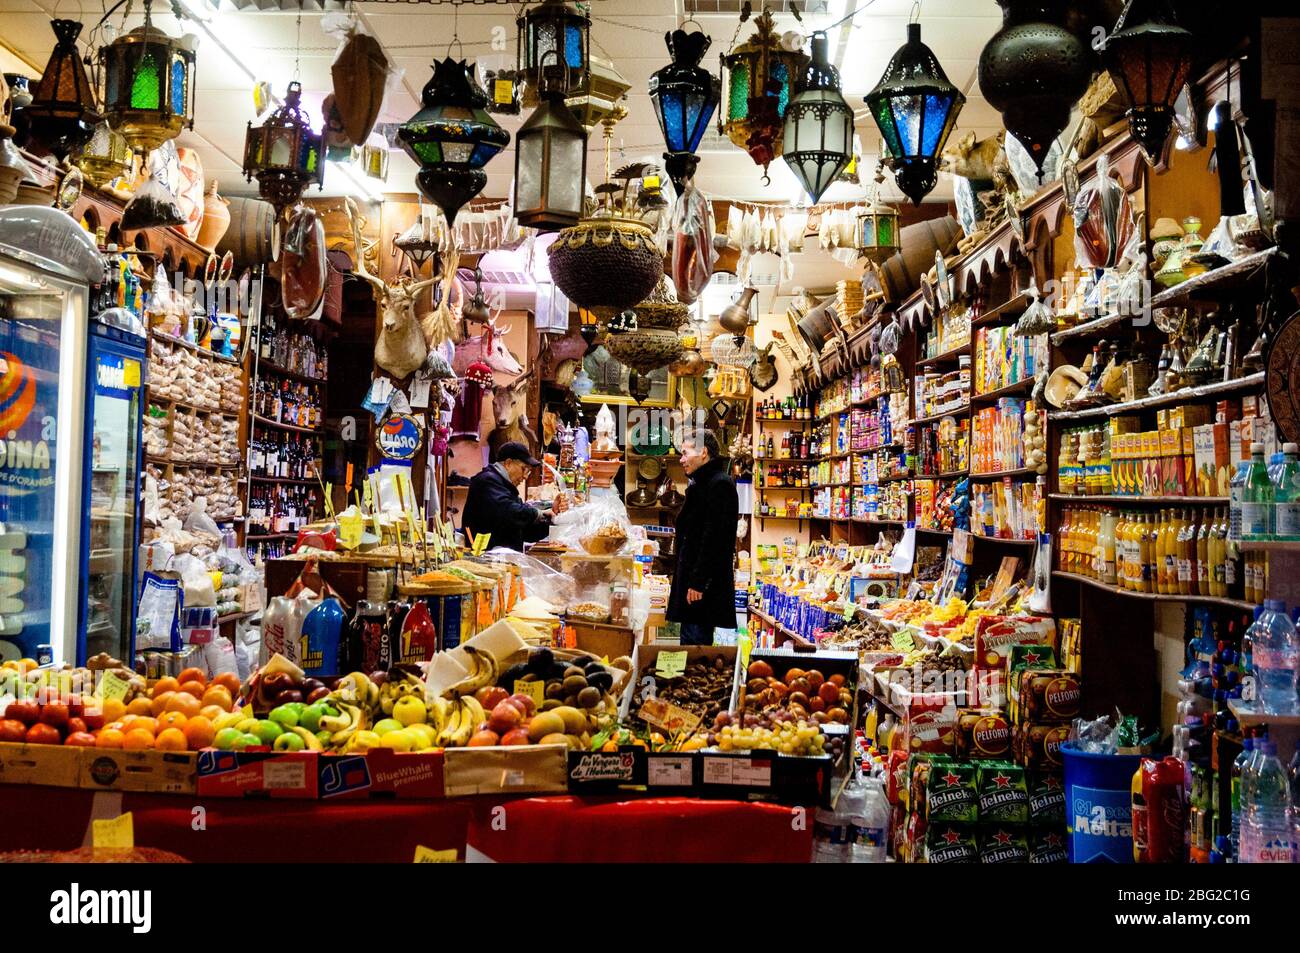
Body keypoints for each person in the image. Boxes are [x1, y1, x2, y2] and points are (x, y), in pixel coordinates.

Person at [666, 428, 738, 646]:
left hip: (701, 588)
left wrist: (698, 582)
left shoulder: (719, 485)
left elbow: (715, 540)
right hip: (694, 584)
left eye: (686, 453)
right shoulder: (701, 484)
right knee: (690, 641)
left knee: (695, 648)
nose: (681, 459)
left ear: (703, 452)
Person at [461, 441, 567, 552]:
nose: (525, 476)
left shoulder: (506, 488)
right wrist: (538, 513)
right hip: (484, 559)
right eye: (524, 469)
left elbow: (524, 531)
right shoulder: (487, 481)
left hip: (503, 560)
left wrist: (550, 518)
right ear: (508, 463)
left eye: (529, 472)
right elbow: (508, 511)